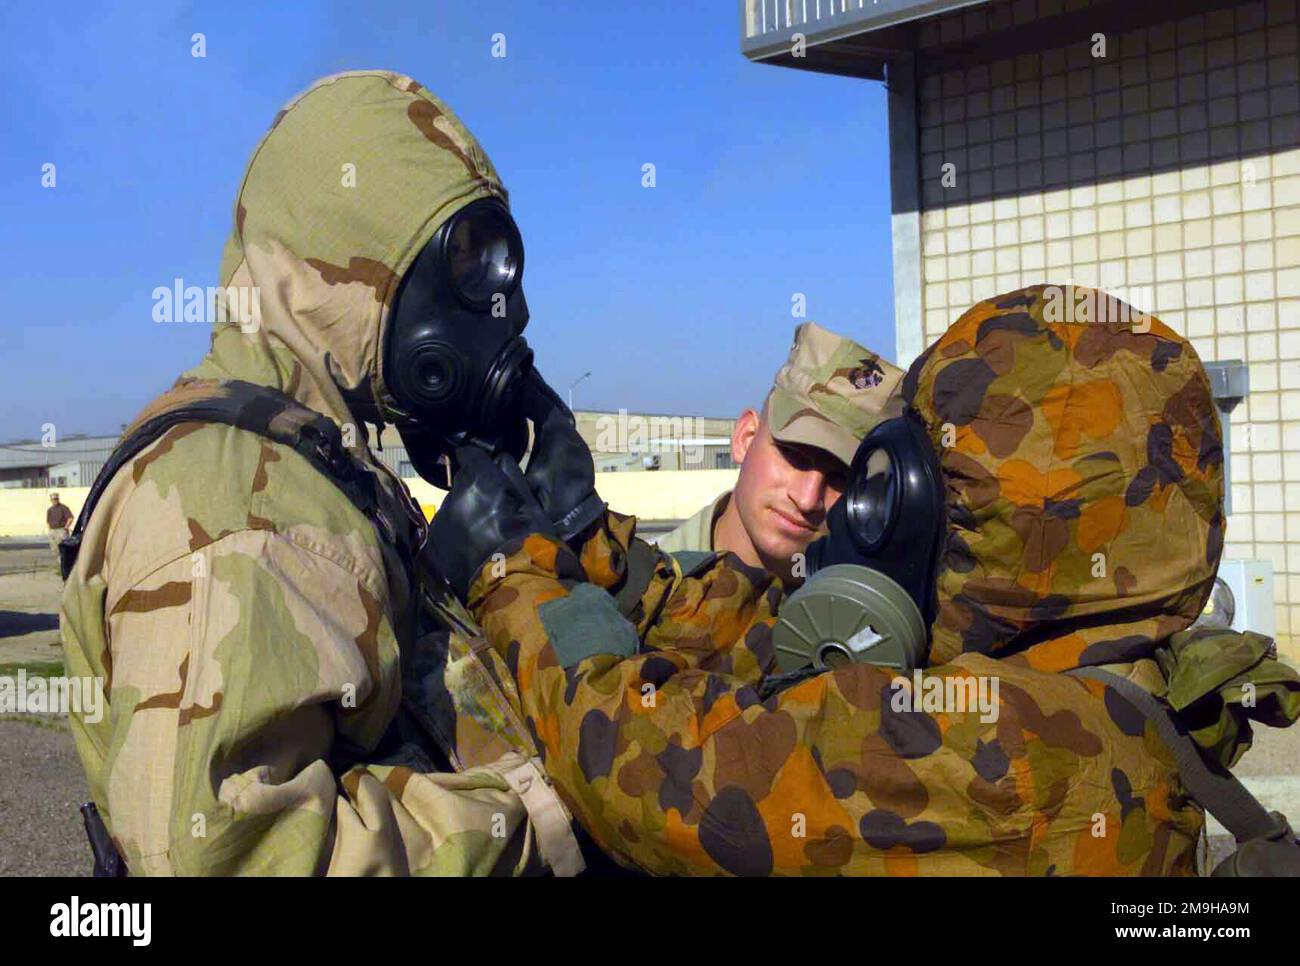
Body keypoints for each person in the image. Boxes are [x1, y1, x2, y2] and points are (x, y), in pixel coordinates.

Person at [430, 284, 1300, 876]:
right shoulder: (1109, 672)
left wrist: (511, 578)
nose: (833, 502)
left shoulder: (994, 745)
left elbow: (634, 764)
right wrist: (591, 539)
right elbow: (762, 649)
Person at [59, 70, 591, 876]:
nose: (501, 312)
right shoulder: (238, 500)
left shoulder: (308, 463)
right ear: (350, 266)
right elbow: (236, 858)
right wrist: (543, 815)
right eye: (465, 265)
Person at [656, 322, 903, 585]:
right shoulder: (641, 598)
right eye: (794, 456)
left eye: (840, 477)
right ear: (746, 438)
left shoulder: (868, 616)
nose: (808, 499)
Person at [46, 492, 73, 562]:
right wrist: (50, 530)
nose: (55, 501)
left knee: (64, 548)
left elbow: (70, 518)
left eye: (56, 499)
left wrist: (66, 527)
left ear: (58, 499)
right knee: (54, 548)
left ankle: (66, 562)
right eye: (53, 499)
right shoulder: (50, 510)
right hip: (53, 531)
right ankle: (60, 563)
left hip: (61, 530)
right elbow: (48, 521)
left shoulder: (63, 508)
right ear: (51, 500)